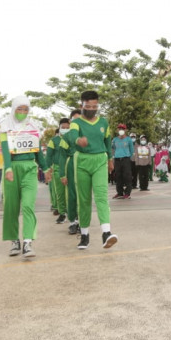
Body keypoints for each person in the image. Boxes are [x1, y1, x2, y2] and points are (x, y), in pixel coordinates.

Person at [61, 90, 118, 250]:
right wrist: (79, 140)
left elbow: (107, 141)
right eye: (88, 106)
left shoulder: (103, 122)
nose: (92, 109)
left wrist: (110, 159)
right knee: (84, 199)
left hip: (100, 160)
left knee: (101, 196)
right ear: (82, 106)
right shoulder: (76, 122)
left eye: (95, 106)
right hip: (82, 162)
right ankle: (84, 235)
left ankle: (106, 233)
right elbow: (73, 136)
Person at [0, 96, 51, 259]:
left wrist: (45, 168)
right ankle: (14, 240)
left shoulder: (33, 127)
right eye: (19, 109)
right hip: (12, 169)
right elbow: (5, 150)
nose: (22, 112)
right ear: (13, 109)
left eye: (25, 109)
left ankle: (28, 242)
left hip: (29, 168)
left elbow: (37, 152)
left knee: (28, 205)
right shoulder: (5, 126)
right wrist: (8, 168)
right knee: (11, 207)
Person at [111, 124, 134, 199]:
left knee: (127, 176)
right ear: (117, 130)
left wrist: (129, 158)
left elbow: (132, 150)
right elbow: (112, 148)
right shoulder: (115, 139)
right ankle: (120, 192)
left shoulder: (128, 139)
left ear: (125, 130)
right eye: (119, 128)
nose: (121, 130)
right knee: (118, 176)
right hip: (117, 159)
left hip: (126, 159)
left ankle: (127, 193)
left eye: (122, 129)